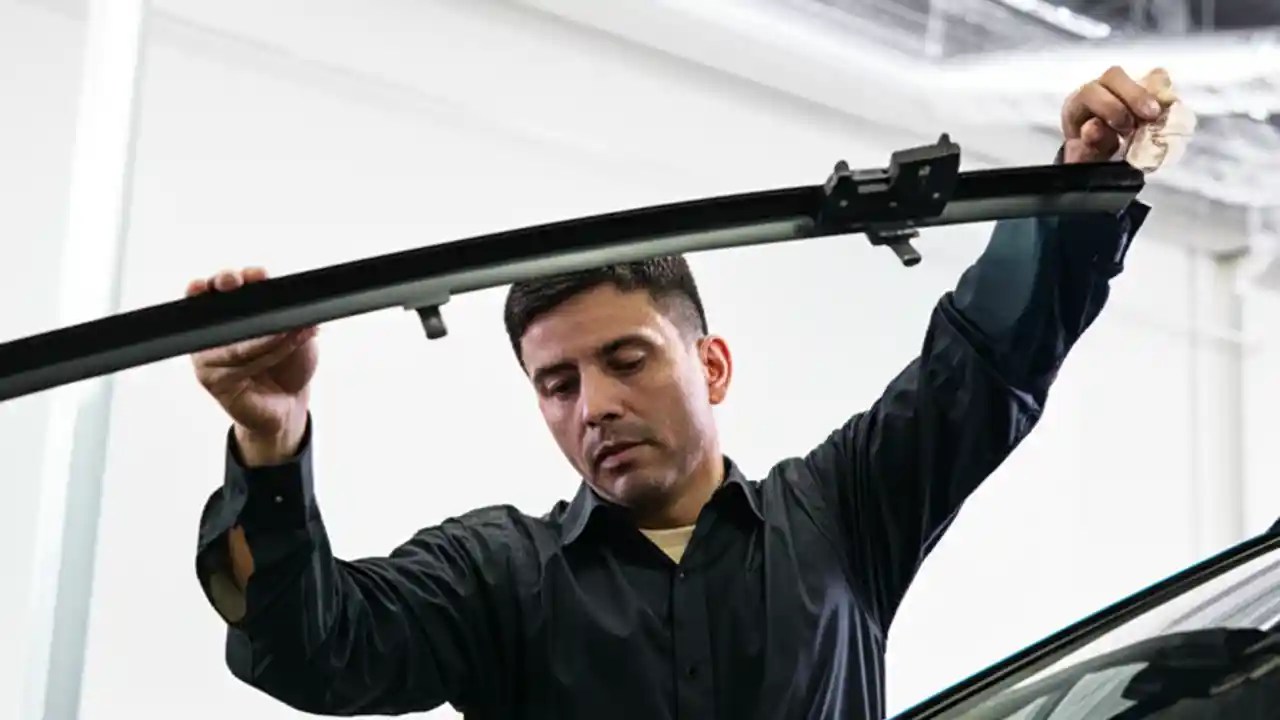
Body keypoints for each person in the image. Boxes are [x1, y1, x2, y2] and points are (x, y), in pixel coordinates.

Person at [190, 66, 1167, 719]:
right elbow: (313, 649)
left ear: (710, 367)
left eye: (625, 360)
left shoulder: (840, 513)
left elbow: (987, 361)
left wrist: (1072, 189)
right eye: (556, 384)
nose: (594, 407)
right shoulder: (494, 574)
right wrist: (270, 442)